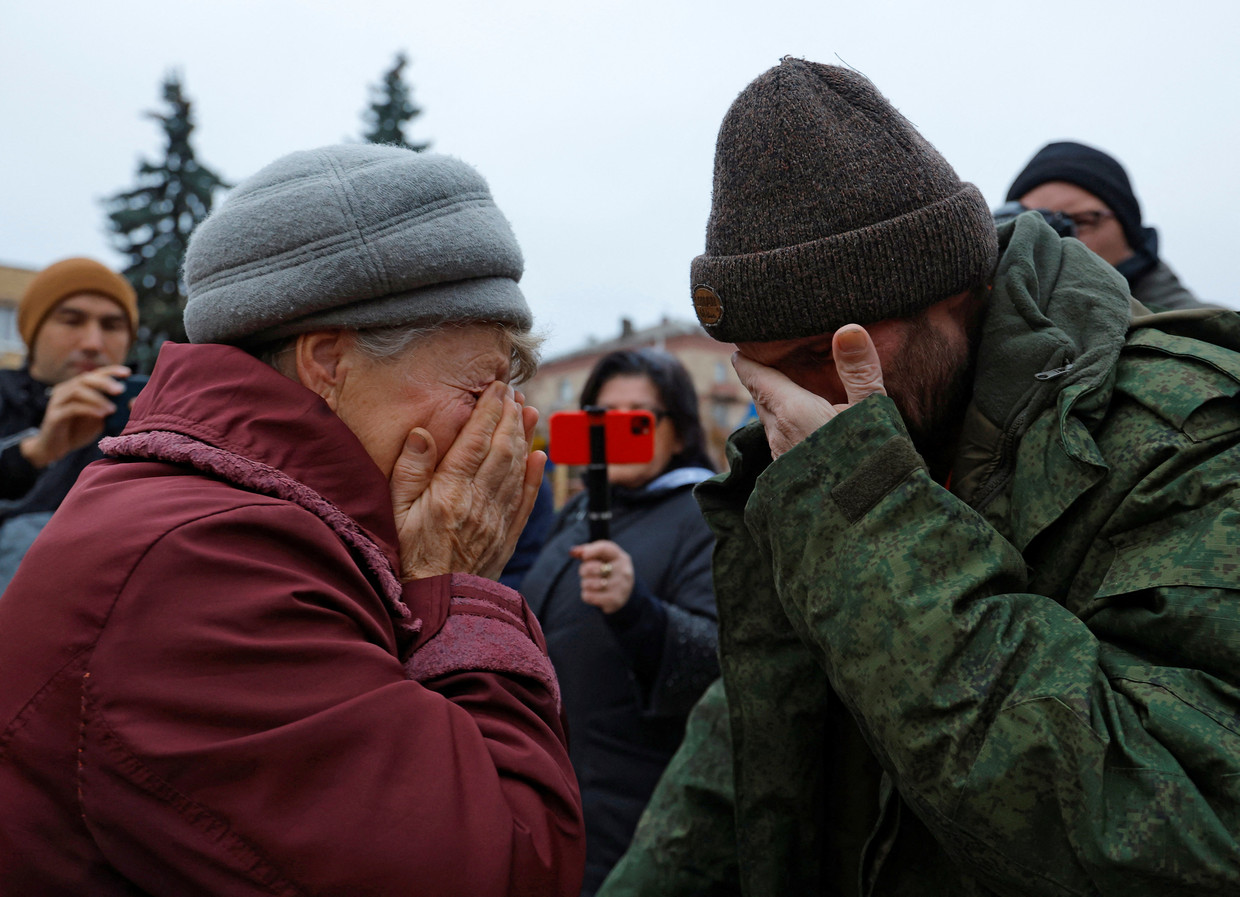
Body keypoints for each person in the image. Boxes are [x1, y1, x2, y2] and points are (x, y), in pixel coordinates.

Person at [599, 59, 1240, 896]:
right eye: (767, 373)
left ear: (953, 290)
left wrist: (873, 520)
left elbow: (1191, 835)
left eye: (821, 354)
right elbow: (747, 770)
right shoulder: (810, 466)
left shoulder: (1184, 434)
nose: (796, 404)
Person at [0, 144, 585, 895]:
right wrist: (459, 591)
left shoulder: (241, 523)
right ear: (328, 362)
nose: (509, 428)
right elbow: (507, 866)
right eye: (480, 389)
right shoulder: (204, 564)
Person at [521, 348, 719, 896]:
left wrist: (636, 609)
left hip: (638, 813)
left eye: (636, 419)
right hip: (553, 795)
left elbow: (721, 667)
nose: (613, 432)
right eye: (600, 418)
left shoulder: (704, 518)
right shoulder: (578, 513)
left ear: (677, 433)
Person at [0, 257, 138, 588]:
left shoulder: (147, 415)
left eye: (112, 326)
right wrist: (32, 454)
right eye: (71, 321)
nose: (92, 343)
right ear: (31, 333)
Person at [1005, 141, 1209, 312]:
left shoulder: (1214, 337)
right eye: (1035, 223)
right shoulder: (988, 335)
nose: (1054, 238)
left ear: (1128, 232)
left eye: (1082, 221)